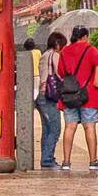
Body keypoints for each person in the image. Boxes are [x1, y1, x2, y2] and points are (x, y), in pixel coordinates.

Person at [57, 25, 98, 172]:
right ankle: (93, 161)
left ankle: (66, 162)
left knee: (69, 127)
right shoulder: (90, 49)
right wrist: (96, 81)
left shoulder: (64, 51)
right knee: (89, 126)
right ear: (84, 36)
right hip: (88, 95)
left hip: (69, 95)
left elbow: (61, 72)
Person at [36, 32, 65, 169]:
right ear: (57, 44)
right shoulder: (54, 55)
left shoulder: (44, 55)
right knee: (55, 129)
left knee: (47, 130)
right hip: (50, 96)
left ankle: (46, 158)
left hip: (41, 95)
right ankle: (47, 159)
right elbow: (60, 73)